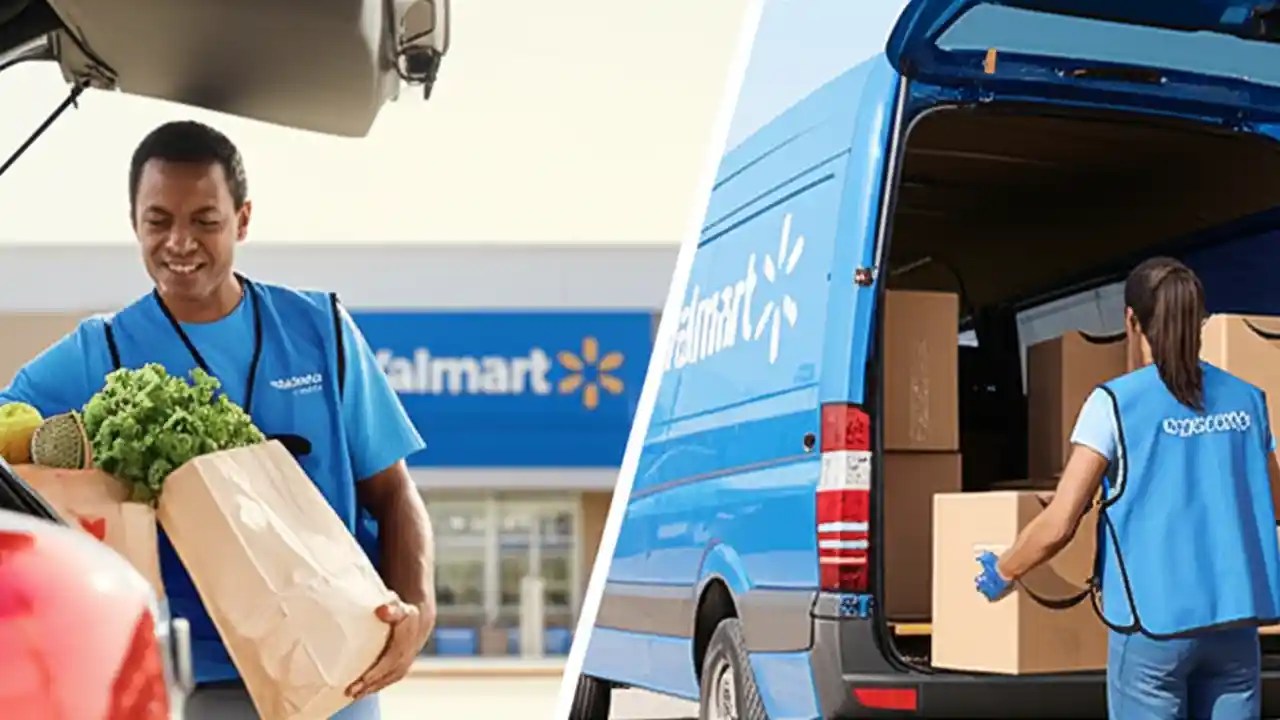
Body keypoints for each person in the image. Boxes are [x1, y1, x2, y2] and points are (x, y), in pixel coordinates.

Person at [0, 120, 437, 719]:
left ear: (243, 219)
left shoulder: (319, 329)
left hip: (338, 667)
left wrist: (418, 606)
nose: (180, 242)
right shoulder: (101, 349)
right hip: (194, 681)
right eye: (159, 221)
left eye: (205, 220)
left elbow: (392, 491)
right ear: (135, 223)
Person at [973, 256, 1280, 719]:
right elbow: (1273, 501)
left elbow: (1060, 522)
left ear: (1131, 320)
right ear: (1199, 321)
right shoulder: (1246, 398)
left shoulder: (1114, 403)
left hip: (1152, 631)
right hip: (1235, 627)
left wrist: (1005, 569)